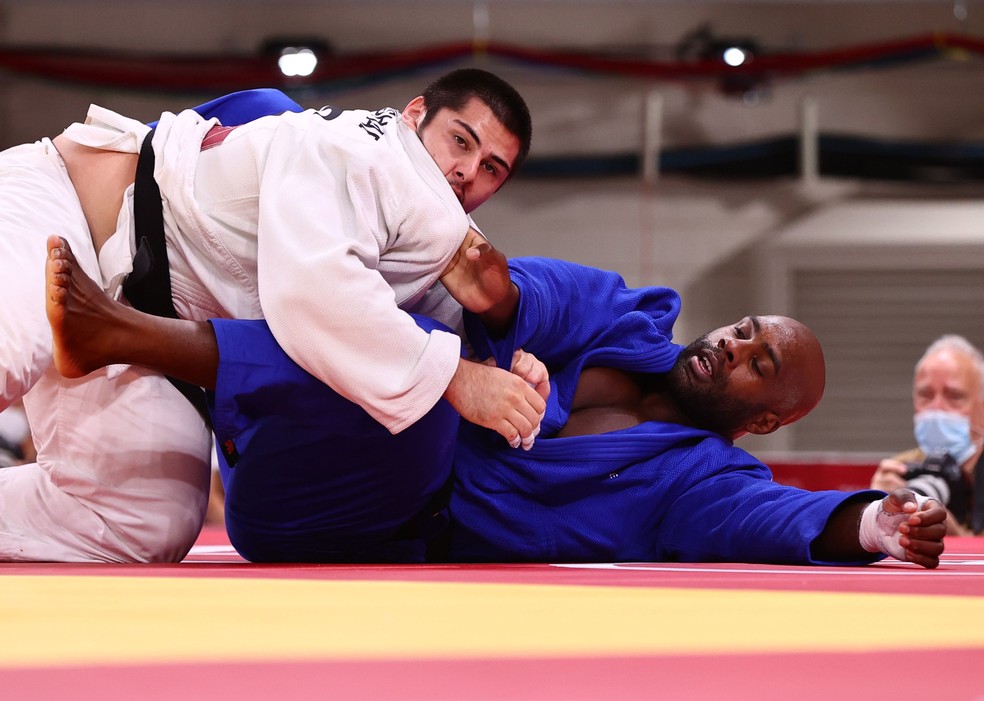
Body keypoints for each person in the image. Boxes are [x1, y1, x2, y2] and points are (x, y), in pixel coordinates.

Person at [44, 236, 947, 567]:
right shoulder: (629, 316)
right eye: (744, 328)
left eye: (756, 364)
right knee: (423, 349)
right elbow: (537, 295)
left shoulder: (695, 481)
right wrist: (502, 305)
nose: (730, 345)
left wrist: (877, 524)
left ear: (764, 421)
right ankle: (147, 268)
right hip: (296, 421)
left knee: (435, 389)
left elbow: (781, 520)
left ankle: (123, 332)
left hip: (342, 519)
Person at [0, 68, 544, 563]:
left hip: (125, 314)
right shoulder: (361, 151)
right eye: (460, 140)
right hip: (58, 209)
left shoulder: (436, 237)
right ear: (415, 114)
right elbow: (315, 294)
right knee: (12, 351)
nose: (466, 171)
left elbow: (422, 327)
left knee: (143, 518)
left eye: (491, 168)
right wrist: (457, 375)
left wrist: (502, 369)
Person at [870, 335, 984, 536]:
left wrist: (949, 531)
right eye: (926, 395)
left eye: (954, 396)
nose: (936, 409)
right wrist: (875, 507)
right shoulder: (903, 466)